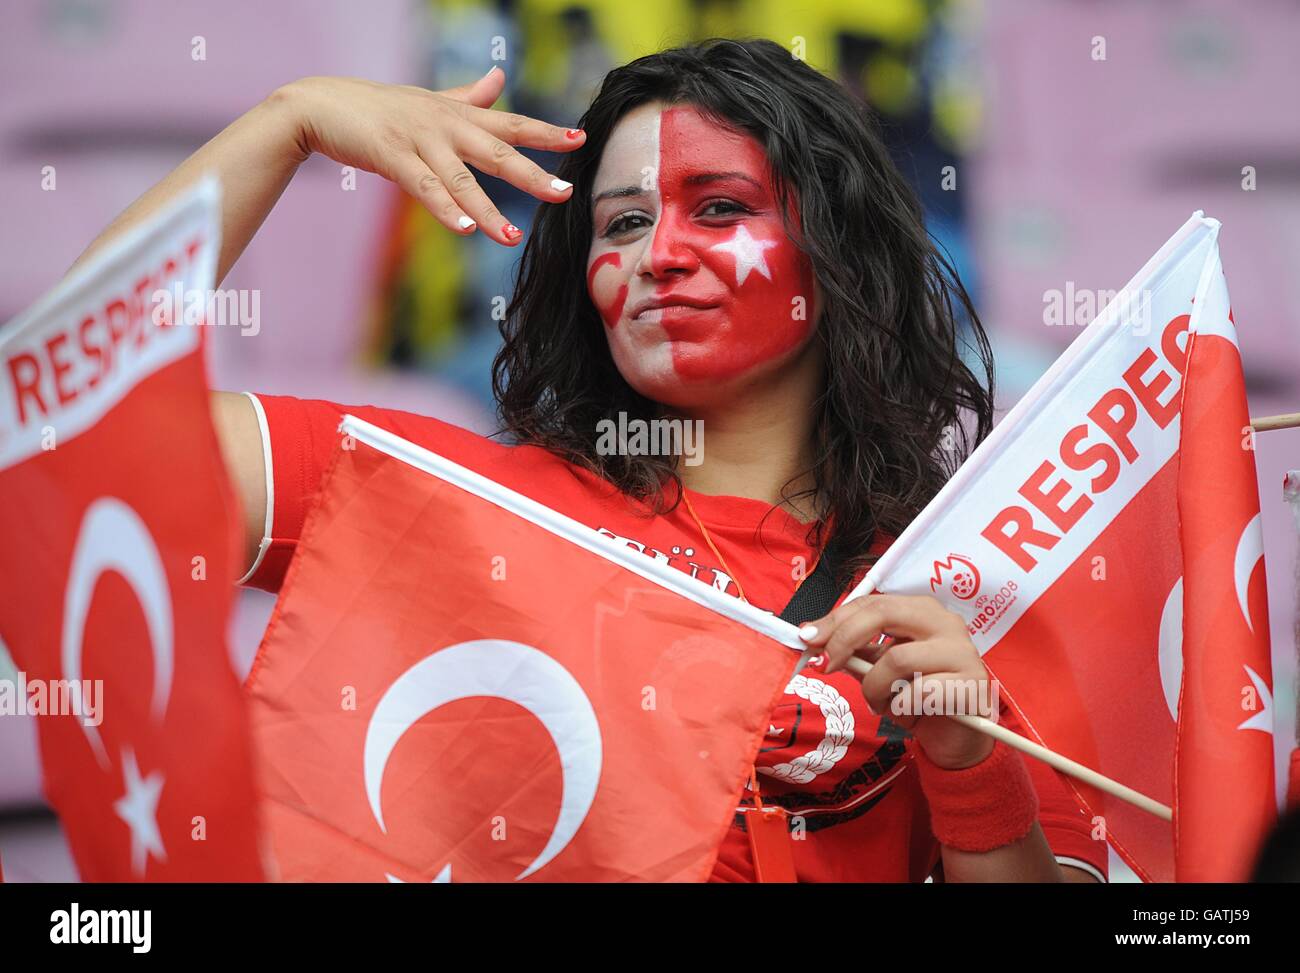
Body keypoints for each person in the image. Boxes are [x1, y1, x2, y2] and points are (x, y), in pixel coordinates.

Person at [72, 38, 1105, 882]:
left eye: (718, 208)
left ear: (839, 250)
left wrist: (970, 763)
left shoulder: (965, 577)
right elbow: (66, 431)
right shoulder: (455, 503)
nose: (658, 253)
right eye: (622, 222)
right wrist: (285, 122)